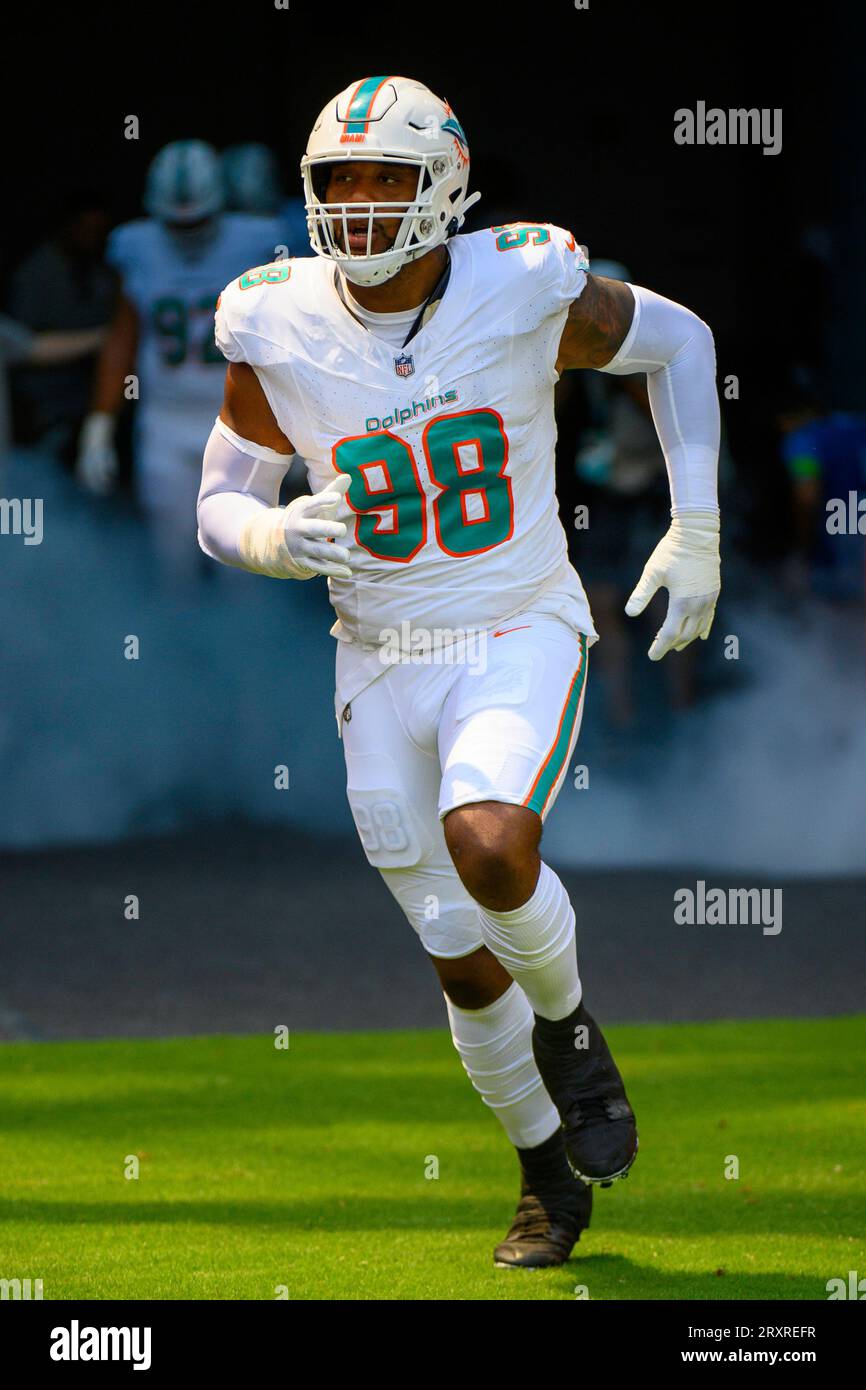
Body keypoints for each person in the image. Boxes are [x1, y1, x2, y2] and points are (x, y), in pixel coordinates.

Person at [197, 77, 721, 1268]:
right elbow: (218, 501)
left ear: (443, 185)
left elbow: (677, 339)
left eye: (386, 178)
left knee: (490, 844)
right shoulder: (273, 319)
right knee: (455, 954)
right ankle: (543, 1171)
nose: (362, 206)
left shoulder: (519, 281)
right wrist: (273, 537)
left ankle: (572, 1023)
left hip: (509, 625)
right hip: (375, 652)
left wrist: (697, 526)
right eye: (339, 182)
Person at [76, 140, 286, 583]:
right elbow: (123, 337)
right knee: (173, 565)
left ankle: (257, 649)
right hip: (166, 424)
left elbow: (294, 332)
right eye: (178, 223)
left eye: (199, 222)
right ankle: (177, 649)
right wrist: (100, 423)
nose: (188, 232)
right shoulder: (137, 246)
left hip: (242, 427)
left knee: (248, 568)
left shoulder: (261, 240)